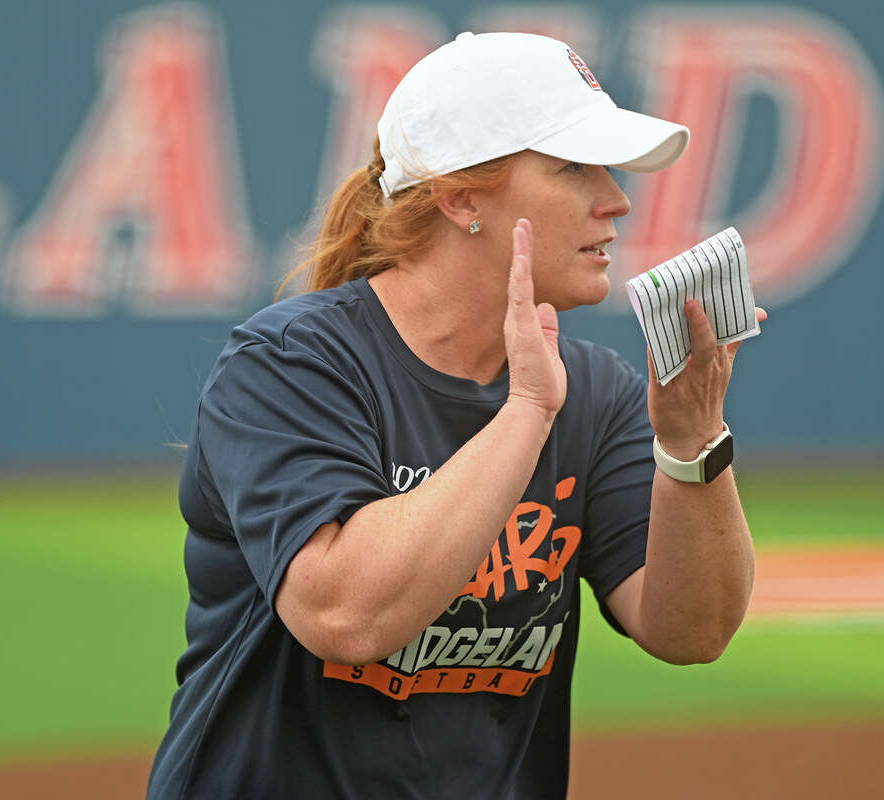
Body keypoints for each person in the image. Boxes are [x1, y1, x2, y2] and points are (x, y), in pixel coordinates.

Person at [147, 31, 765, 799]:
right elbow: (344, 614)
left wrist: (691, 442)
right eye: (573, 168)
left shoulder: (596, 393)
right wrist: (527, 412)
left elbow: (692, 630)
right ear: (460, 196)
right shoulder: (290, 364)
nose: (617, 198)